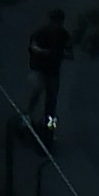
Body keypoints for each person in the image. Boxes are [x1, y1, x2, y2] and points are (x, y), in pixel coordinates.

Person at [27, 8, 72, 137]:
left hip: (53, 71)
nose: (57, 24)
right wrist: (44, 52)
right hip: (39, 69)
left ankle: (50, 127)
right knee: (37, 90)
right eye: (55, 21)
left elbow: (69, 50)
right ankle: (28, 117)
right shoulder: (41, 33)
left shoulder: (64, 35)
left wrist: (64, 54)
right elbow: (33, 46)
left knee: (52, 99)